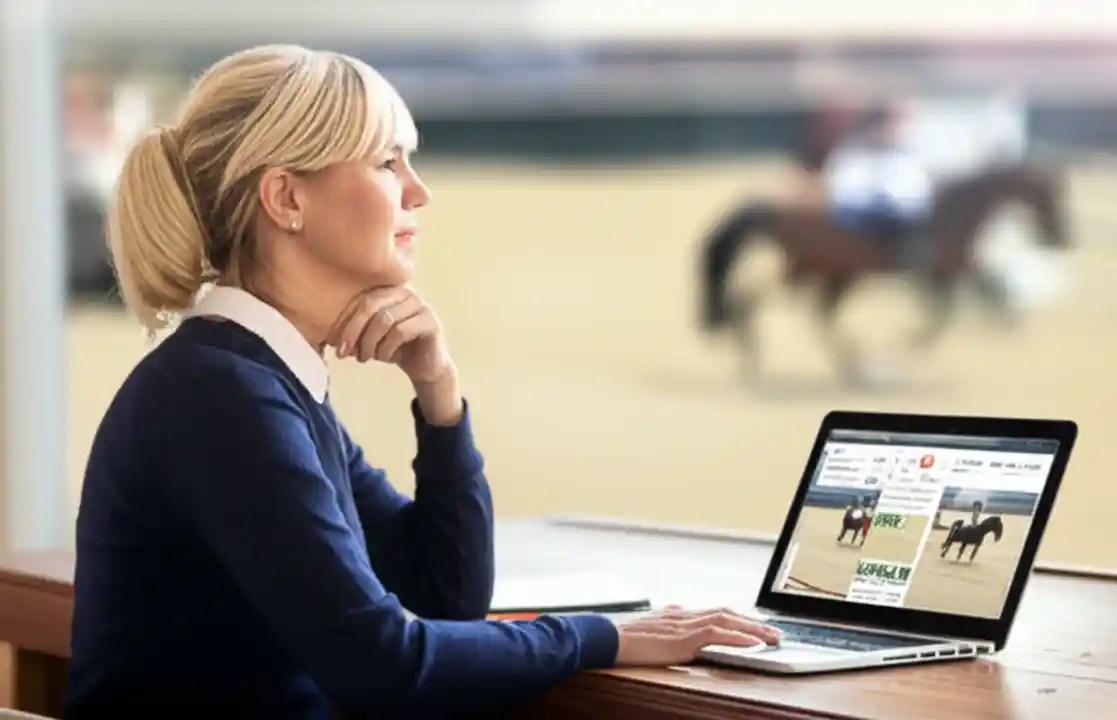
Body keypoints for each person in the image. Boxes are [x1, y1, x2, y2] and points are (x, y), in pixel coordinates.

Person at [67, 45, 780, 718]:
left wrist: (439, 393)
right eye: (387, 162)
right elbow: (383, 665)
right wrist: (604, 636)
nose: (419, 191)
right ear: (286, 199)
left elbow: (444, 595)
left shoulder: (261, 380)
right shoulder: (222, 396)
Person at [824, 101, 934, 261]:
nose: (885, 133)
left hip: (898, 222)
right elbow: (840, 192)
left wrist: (890, 204)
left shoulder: (907, 157)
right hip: (857, 220)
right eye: (880, 127)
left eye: (890, 127)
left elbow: (917, 196)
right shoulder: (852, 153)